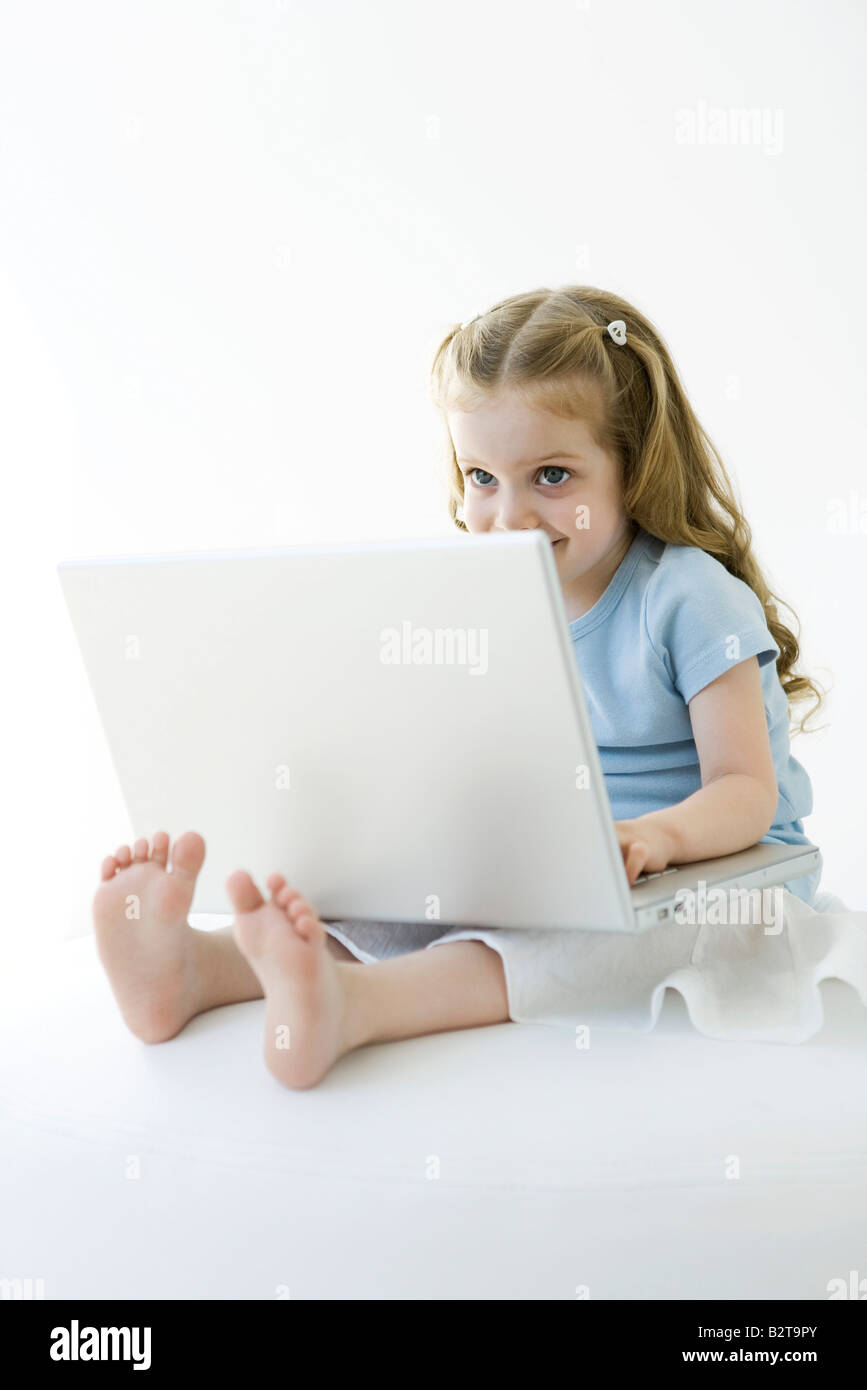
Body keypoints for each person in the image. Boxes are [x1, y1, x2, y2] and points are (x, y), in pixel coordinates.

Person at [91, 284, 825, 1088]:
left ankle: (360, 1003)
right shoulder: (487, 595)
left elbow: (745, 790)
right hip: (565, 862)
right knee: (405, 895)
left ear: (634, 464)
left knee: (581, 942)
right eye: (481, 477)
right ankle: (200, 968)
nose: (508, 516)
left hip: (723, 876)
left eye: (551, 475)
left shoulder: (687, 596)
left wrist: (658, 838)